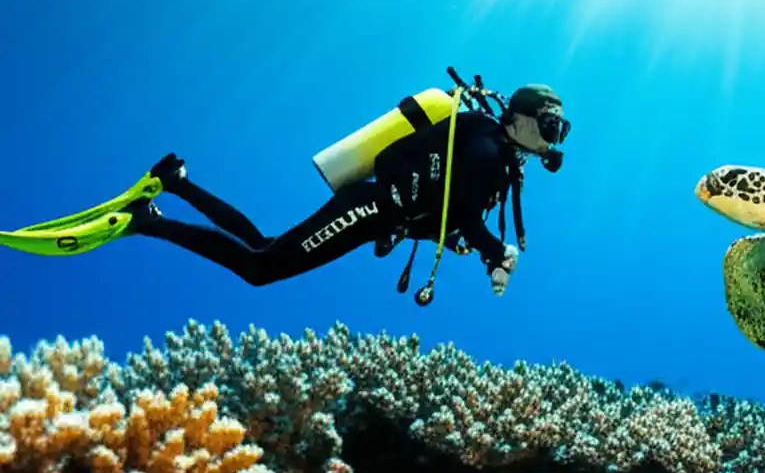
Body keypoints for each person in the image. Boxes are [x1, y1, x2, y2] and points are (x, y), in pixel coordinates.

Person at [121, 77, 569, 301]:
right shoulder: (488, 149)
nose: (554, 139)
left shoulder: (494, 152)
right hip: (367, 210)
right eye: (550, 125)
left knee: (263, 246)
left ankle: (178, 182)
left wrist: (456, 240)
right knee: (260, 269)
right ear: (522, 118)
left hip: (373, 211)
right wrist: (493, 251)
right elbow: (461, 208)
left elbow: (446, 208)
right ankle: (148, 221)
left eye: (560, 130)